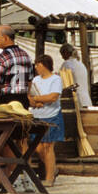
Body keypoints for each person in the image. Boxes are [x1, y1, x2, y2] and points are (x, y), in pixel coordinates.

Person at [28, 54, 64, 186]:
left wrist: (37, 99)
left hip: (52, 115)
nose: (36, 67)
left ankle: (49, 178)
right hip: (37, 115)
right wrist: (34, 101)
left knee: (48, 146)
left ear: (44, 65)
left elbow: (53, 97)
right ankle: (53, 169)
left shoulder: (56, 79)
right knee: (38, 147)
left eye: (38, 64)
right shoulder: (35, 80)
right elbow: (29, 95)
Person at [0, 24, 32, 106]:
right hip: (23, 101)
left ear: (5, 38)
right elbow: (29, 81)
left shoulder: (1, 58)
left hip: (6, 101)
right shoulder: (26, 55)